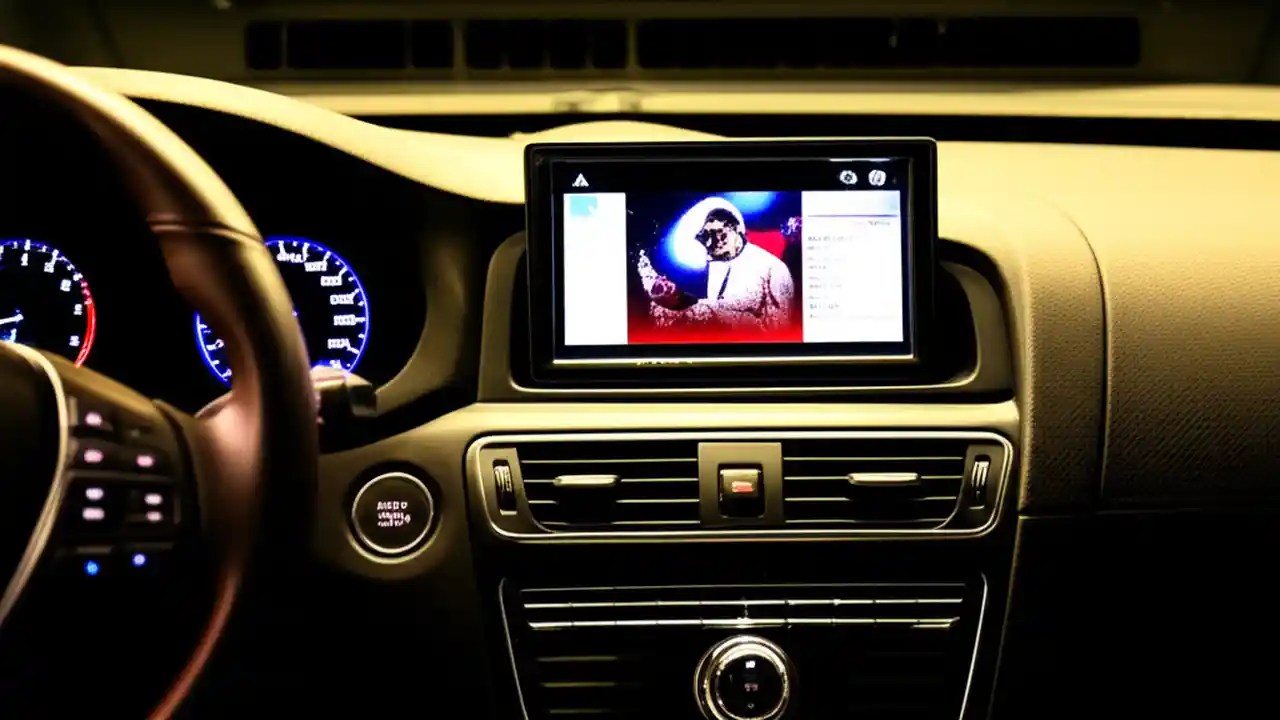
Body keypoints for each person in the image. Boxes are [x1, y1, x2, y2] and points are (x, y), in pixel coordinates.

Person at [637, 200, 796, 336]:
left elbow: (779, 331)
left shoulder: (774, 269)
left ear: (737, 229)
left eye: (719, 233)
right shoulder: (715, 263)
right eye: (706, 236)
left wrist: (713, 315)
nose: (712, 242)